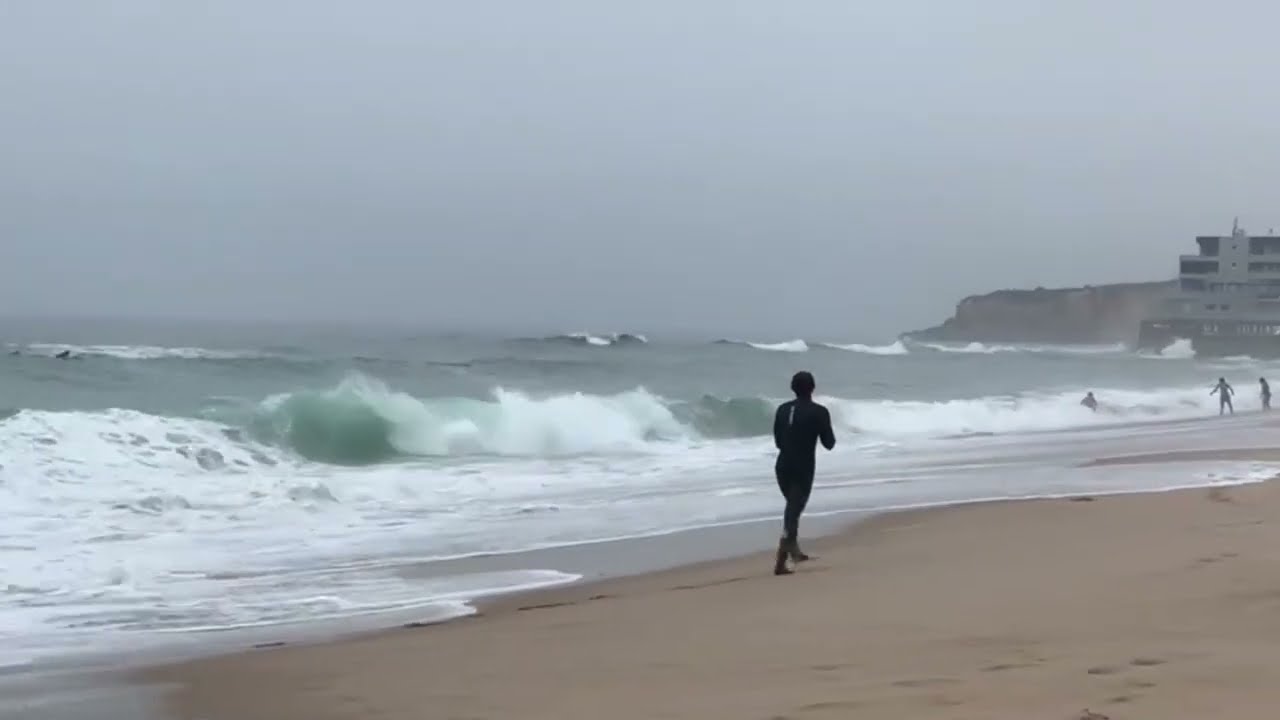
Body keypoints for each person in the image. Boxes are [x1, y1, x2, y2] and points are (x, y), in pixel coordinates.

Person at [772, 370, 836, 576]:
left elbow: (778, 441)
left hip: (782, 466)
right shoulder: (819, 411)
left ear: (792, 388)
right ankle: (782, 560)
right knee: (793, 510)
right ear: (813, 388)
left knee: (793, 508)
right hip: (803, 468)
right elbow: (829, 444)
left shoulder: (782, 409)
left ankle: (795, 551)